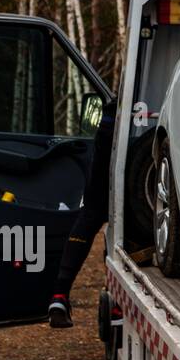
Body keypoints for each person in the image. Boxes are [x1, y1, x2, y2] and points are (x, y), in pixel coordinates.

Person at [48, 99, 117, 328]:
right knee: (132, 221)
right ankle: (118, 297)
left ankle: (60, 294)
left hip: (108, 134)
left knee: (90, 215)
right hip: (139, 140)